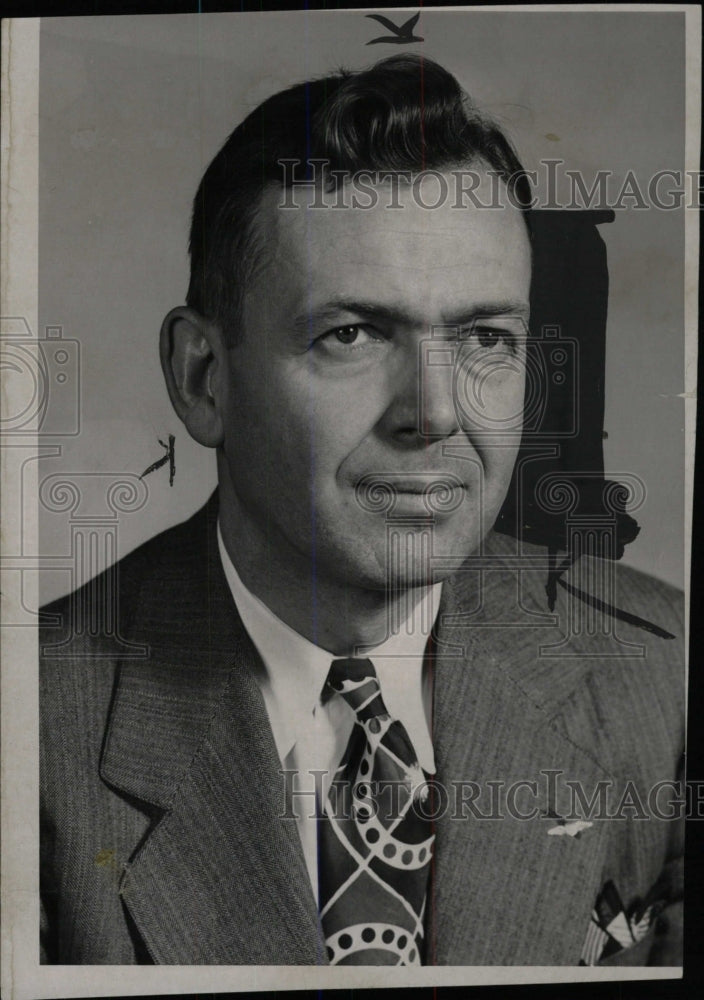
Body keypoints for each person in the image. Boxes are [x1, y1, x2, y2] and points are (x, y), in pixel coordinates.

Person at [40, 55, 685, 967]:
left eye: (485, 339)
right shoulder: (28, 737)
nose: (436, 413)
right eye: (351, 334)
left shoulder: (663, 676)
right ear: (203, 378)